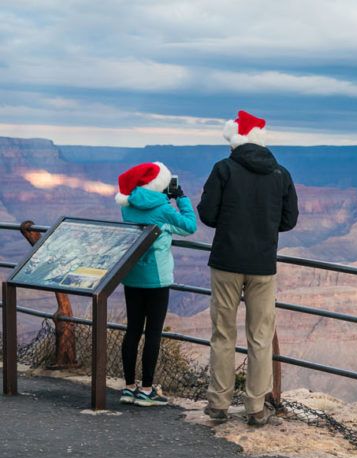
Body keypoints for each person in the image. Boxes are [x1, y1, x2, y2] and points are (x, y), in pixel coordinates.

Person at [198, 110, 299, 426]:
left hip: (227, 262)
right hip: (262, 266)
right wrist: (263, 227)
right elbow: (289, 220)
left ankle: (219, 403)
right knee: (260, 336)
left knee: (223, 332)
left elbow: (208, 215)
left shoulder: (223, 169)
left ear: (235, 141)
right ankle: (256, 406)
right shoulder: (280, 174)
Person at [115, 161, 197, 406]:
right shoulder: (164, 209)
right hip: (157, 279)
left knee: (132, 331)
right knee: (152, 333)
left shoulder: (127, 207)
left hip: (131, 276)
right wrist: (180, 197)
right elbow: (190, 226)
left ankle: (129, 388)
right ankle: (147, 390)